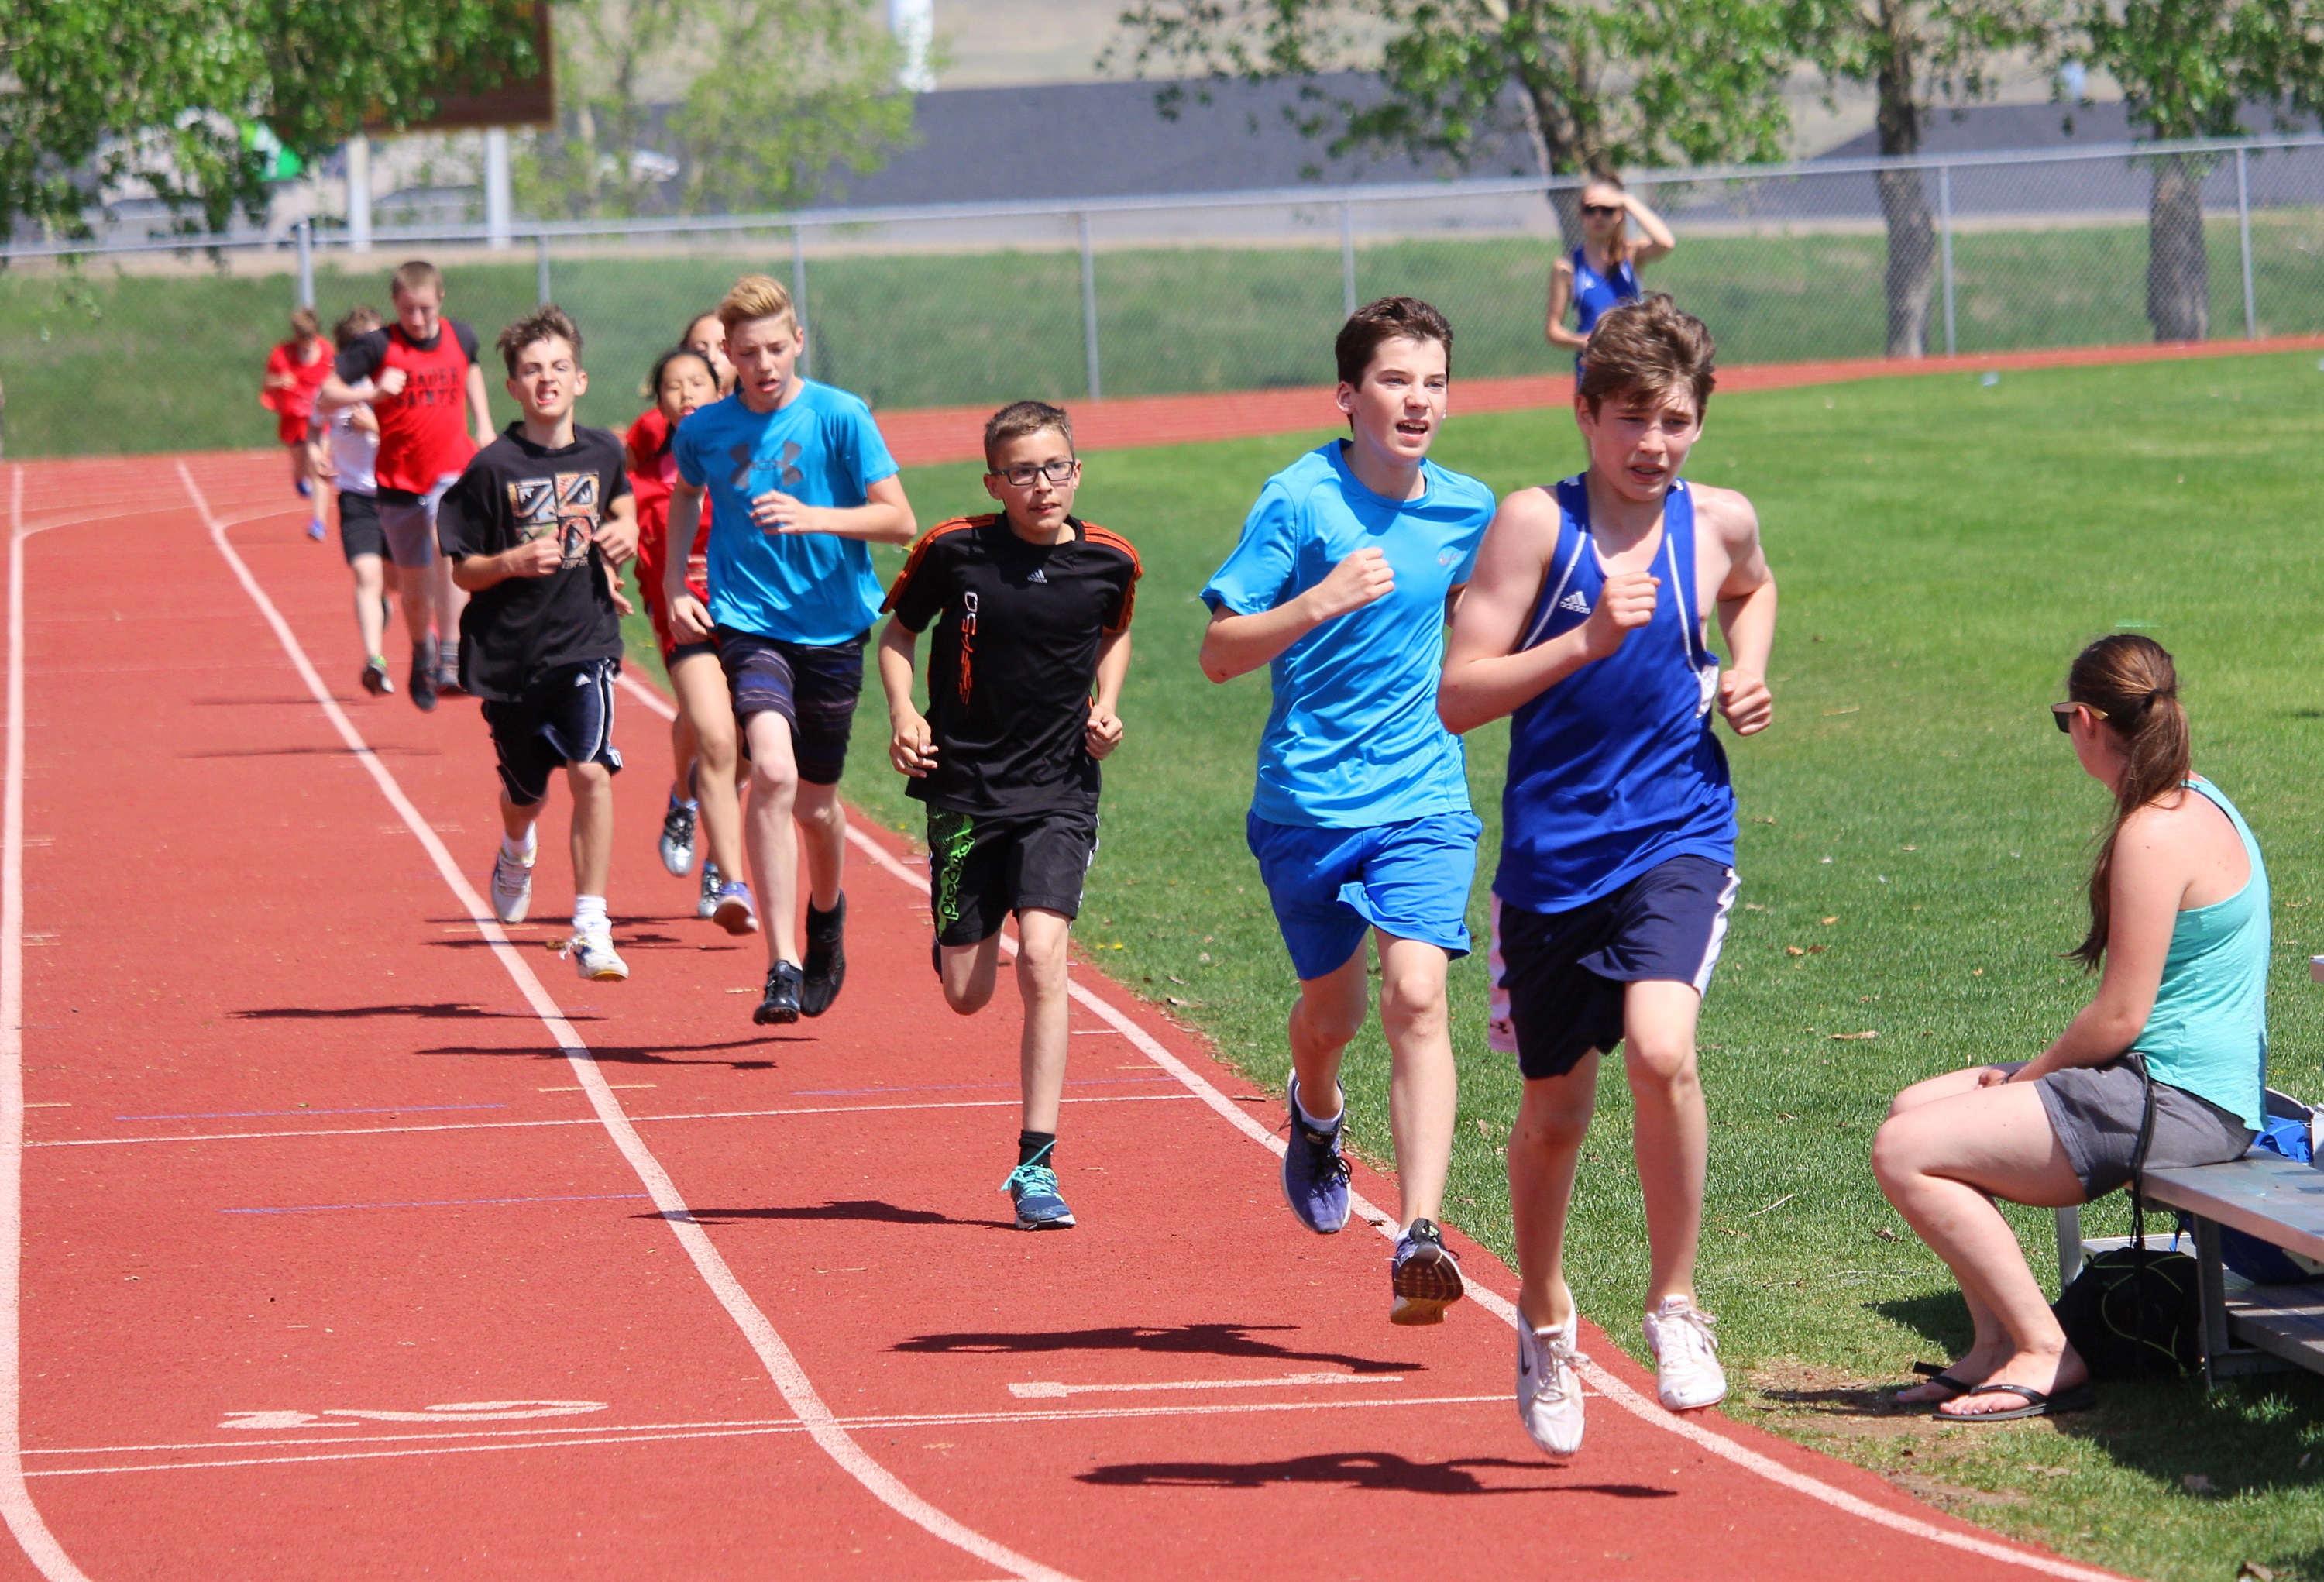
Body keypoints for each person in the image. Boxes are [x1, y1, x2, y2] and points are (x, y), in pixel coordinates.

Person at [1439, 294, 1776, 1454]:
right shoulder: (1537, 526)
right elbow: (1458, 693)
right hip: (1553, 859)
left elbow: (1753, 587)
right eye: (1632, 416)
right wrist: (1585, 638)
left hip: (1680, 831)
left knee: (1663, 1049)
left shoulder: (1720, 519)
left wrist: (1747, 668)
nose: (1654, 442)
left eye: (1675, 419)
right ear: (1585, 413)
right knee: (1555, 1114)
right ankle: (1542, 1316)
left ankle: (1675, 1301)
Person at [1872, 635, 2265, 1422]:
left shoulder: (2153, 832)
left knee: (1904, 1150)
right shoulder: (2197, 799)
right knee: (1916, 1107)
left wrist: (2030, 1076)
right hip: (2178, 1087)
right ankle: (1992, 1344)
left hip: (2180, 1100)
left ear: (2087, 720)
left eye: (2065, 720)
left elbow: (2121, 1015)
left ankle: (2046, 1349)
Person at [1198, 297, 1497, 1325]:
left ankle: (1419, 1230)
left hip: (1423, 794)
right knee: (1335, 1017)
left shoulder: (1466, 508)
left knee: (1418, 993)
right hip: (1308, 805)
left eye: (1434, 382)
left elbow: (1469, 618)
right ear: (1347, 394)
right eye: (1396, 380)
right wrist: (1317, 600)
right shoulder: (1297, 501)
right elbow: (1219, 653)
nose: (1419, 400)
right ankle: (1316, 1110)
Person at [878, 401, 1139, 1231]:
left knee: (1046, 956)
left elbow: (1114, 632)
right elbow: (897, 635)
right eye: (1022, 472)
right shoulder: (953, 549)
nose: (1042, 485)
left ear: (1077, 470)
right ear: (994, 483)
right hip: (963, 788)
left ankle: (1036, 1163)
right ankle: (960, 928)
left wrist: (1107, 705)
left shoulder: (1110, 560)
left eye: (1055, 467)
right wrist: (903, 713)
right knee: (966, 992)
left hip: (1060, 788)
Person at [665, 275, 917, 1025]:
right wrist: (677, 581)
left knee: (816, 805)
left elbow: (900, 521)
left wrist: (816, 516)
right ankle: (781, 962)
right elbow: (685, 493)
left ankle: (826, 914)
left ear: (798, 341)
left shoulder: (841, 415)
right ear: (727, 355)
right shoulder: (705, 430)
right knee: (771, 770)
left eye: (776, 348)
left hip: (834, 628)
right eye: (747, 353)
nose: (764, 364)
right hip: (749, 623)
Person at [438, 306, 641, 981]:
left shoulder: (604, 451)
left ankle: (591, 925)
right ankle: (517, 845)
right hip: (510, 656)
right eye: (531, 370)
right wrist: (512, 562)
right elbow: (463, 568)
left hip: (585, 641)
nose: (546, 378)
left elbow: (621, 502)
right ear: (513, 387)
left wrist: (627, 532)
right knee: (526, 793)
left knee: (591, 770)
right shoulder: (491, 468)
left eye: (558, 367)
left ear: (580, 380)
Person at [319, 260, 497, 712]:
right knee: (415, 590)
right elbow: (326, 394)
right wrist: (372, 393)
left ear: (441, 298)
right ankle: (423, 651)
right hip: (398, 483)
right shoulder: (378, 346)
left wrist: (484, 423)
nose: (417, 319)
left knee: (447, 546)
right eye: (407, 310)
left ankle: (452, 654)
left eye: (425, 309)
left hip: (450, 470)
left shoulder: (461, 336)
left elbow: (471, 367)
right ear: (395, 306)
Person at [628, 346, 754, 934]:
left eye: (697, 382)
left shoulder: (742, 452)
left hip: (748, 611)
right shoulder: (643, 468)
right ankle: (727, 873)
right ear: (658, 403)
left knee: (749, 750)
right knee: (714, 733)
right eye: (673, 386)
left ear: (719, 387)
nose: (685, 395)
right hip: (680, 610)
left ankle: (698, 819)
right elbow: (616, 518)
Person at [311, 307, 394, 695]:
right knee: (365, 574)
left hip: (398, 495)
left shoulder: (395, 386)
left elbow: (415, 440)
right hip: (357, 497)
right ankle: (375, 660)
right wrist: (318, 454)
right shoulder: (336, 390)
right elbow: (315, 424)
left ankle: (383, 603)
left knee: (395, 581)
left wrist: (375, 424)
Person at [1543, 175, 1675, 370]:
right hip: (1593, 369)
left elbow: (1666, 243)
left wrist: (1626, 200)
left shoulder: (1631, 254)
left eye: (1607, 210)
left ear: (1619, 213)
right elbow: (1553, 329)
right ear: (1581, 213)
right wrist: (1580, 341)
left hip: (1632, 366)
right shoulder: (1567, 266)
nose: (1598, 216)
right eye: (1591, 210)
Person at [261, 307, 335, 541]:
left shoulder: (327, 352)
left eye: (310, 337)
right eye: (302, 337)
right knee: (301, 464)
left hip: (319, 418)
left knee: (319, 464)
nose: (307, 342)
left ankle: (318, 522)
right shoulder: (282, 354)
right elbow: (267, 382)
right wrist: (280, 381)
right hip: (294, 418)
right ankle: (298, 476)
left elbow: (337, 378)